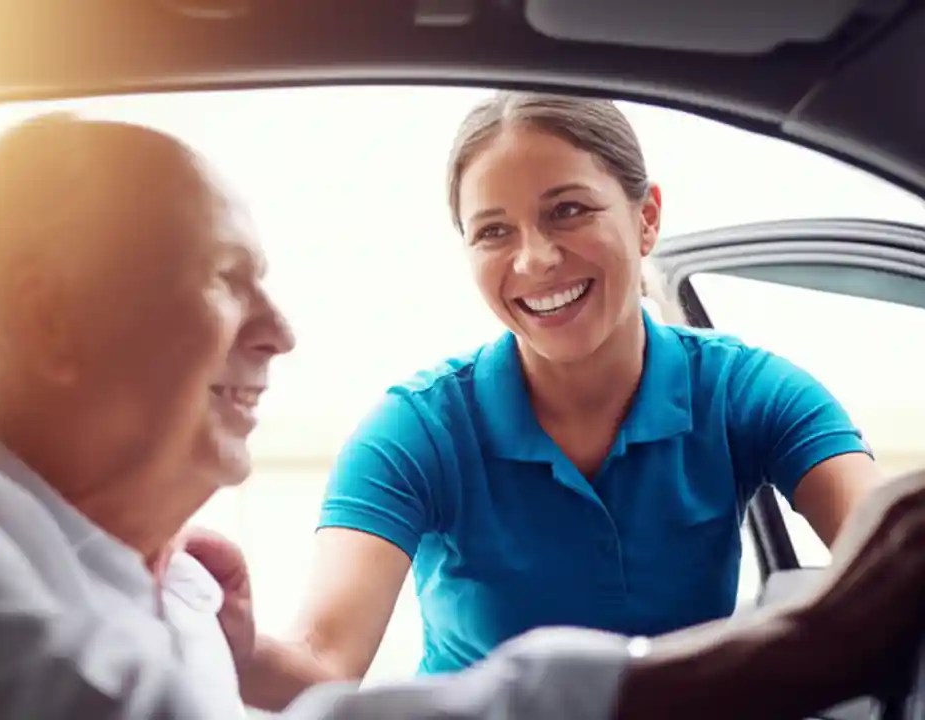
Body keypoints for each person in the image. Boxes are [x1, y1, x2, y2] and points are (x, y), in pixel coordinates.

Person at [0, 111, 925, 720]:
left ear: (645, 220)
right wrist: (767, 659)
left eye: (568, 212)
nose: (281, 331)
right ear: (51, 323)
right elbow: (315, 678)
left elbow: (875, 546)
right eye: (223, 278)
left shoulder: (160, 589)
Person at [224, 91, 886, 709]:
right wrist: (231, 636)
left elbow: (890, 567)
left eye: (567, 211)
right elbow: (324, 662)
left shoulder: (748, 392)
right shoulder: (416, 431)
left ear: (646, 217)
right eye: (493, 232)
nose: (536, 259)